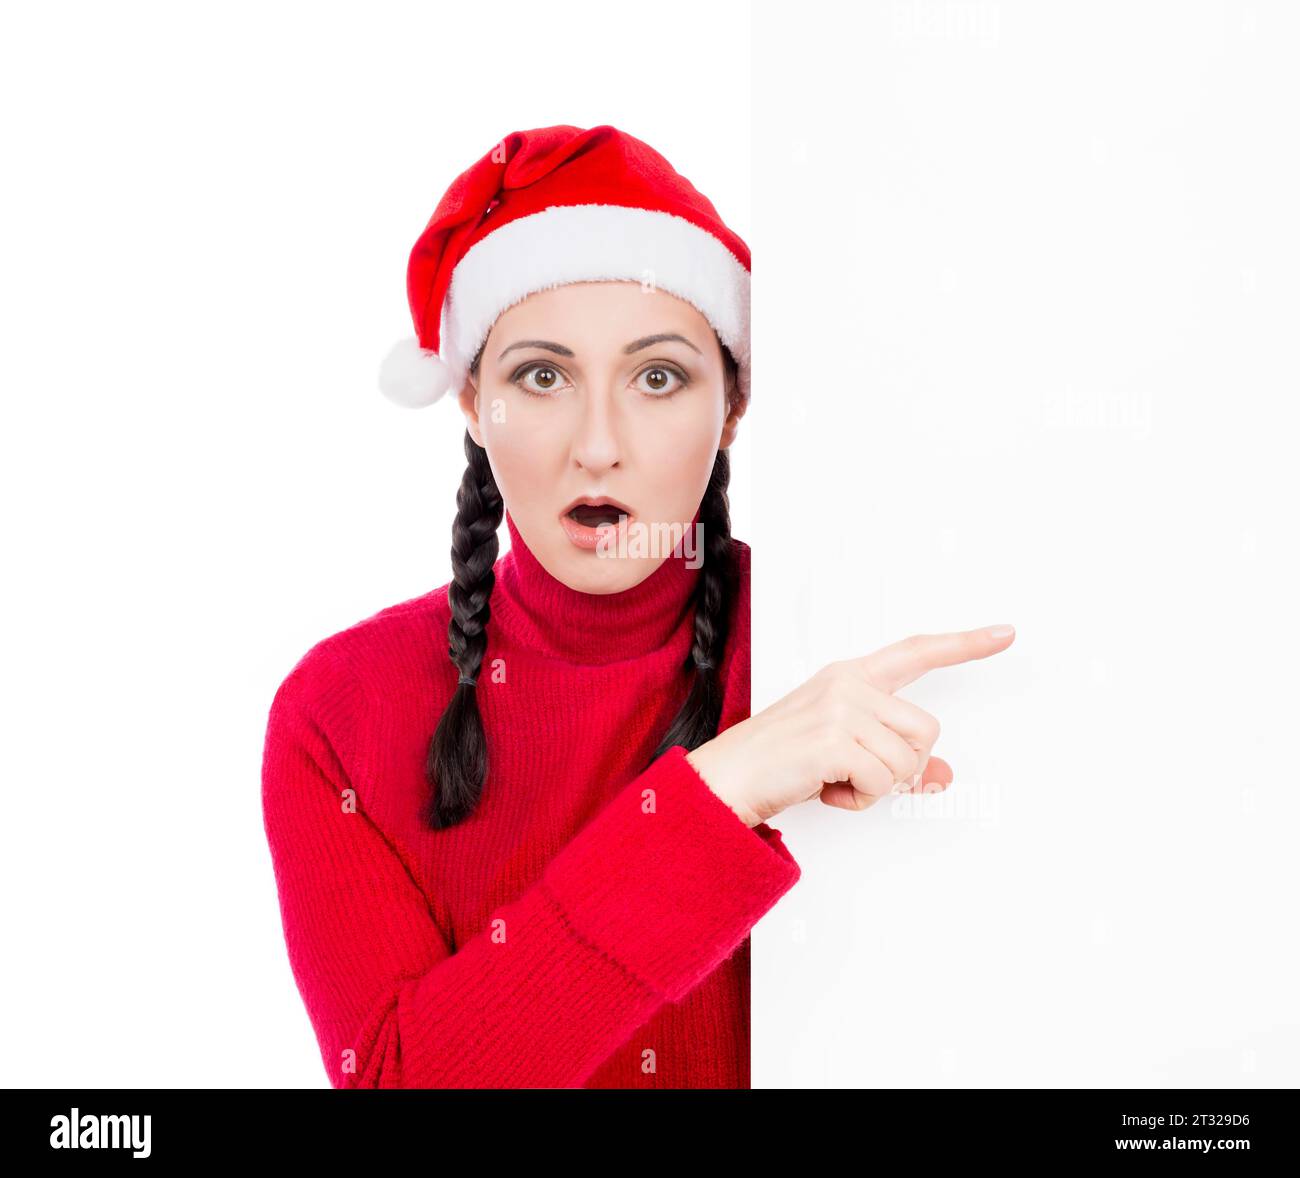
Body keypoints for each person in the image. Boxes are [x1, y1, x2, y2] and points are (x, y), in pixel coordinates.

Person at [260, 123, 1014, 1089]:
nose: (598, 445)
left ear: (732, 407)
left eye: (658, 378)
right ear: (473, 403)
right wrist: (723, 790)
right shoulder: (340, 709)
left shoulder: (839, 649)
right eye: (542, 377)